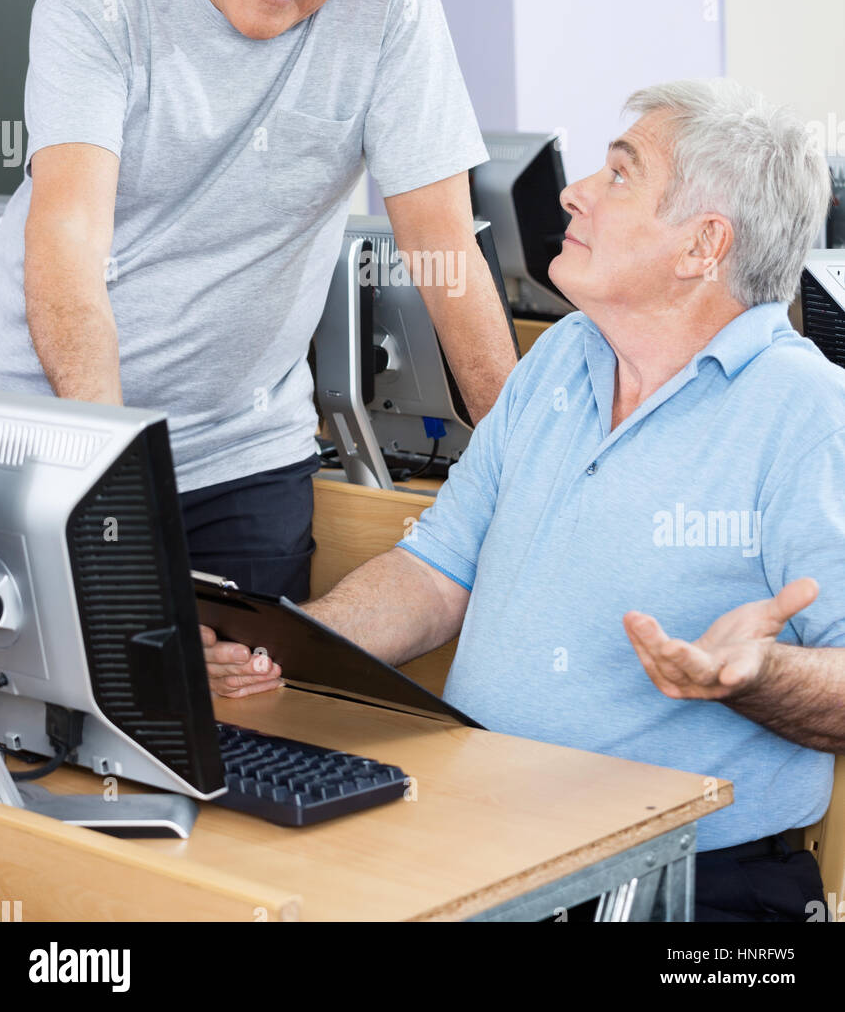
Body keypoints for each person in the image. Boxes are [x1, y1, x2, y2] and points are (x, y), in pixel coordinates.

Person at [204, 79, 845, 922]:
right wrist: (286, 643)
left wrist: (754, 675)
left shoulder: (810, 412)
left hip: (679, 887)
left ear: (703, 246)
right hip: (483, 840)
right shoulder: (563, 356)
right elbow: (437, 573)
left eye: (619, 176)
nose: (574, 193)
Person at [0, 0, 517, 600]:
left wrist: (523, 463)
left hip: (245, 448)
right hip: (56, 433)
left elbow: (442, 243)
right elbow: (67, 250)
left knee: (250, 707)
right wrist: (118, 494)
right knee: (37, 718)